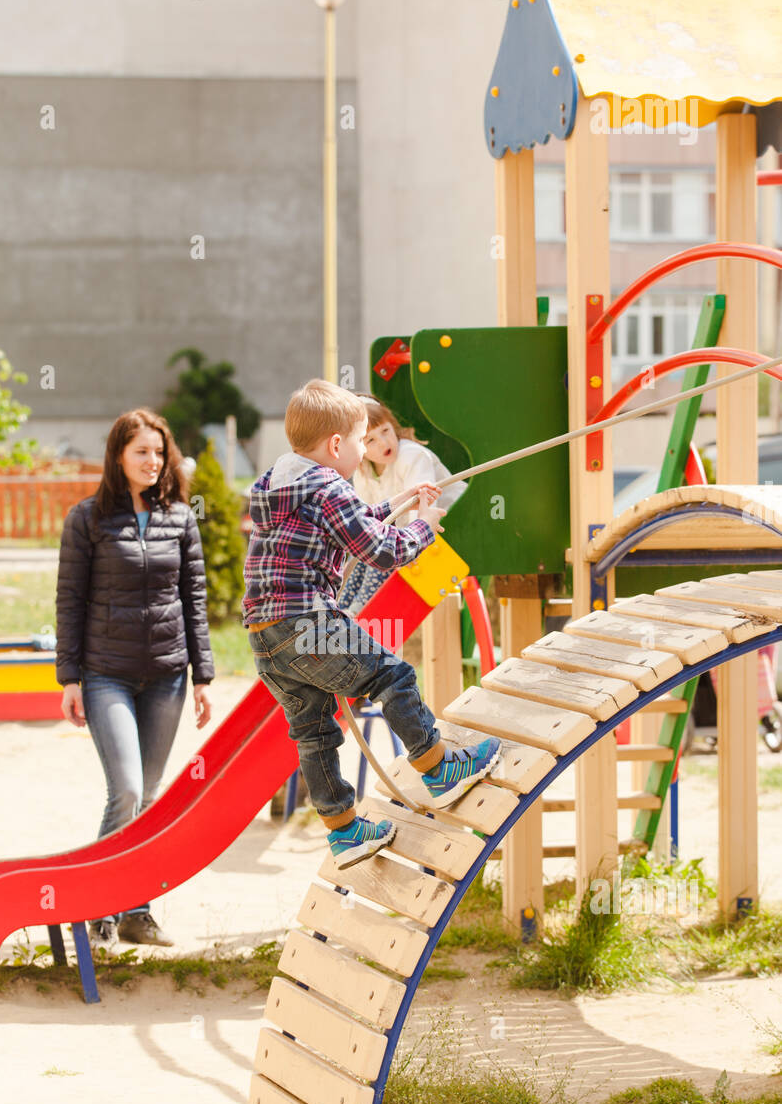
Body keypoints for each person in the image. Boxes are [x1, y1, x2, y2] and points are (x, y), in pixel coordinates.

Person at [243, 379, 499, 870]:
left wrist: (401, 502)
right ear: (336, 445)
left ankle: (344, 832)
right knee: (392, 675)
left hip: (264, 635)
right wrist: (422, 525)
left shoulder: (280, 483)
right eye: (361, 442)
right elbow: (381, 551)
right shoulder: (329, 486)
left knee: (314, 730)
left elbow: (354, 521)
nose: (363, 454)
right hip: (307, 622)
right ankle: (438, 766)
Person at [55, 409, 215, 950]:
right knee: (124, 790)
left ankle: (136, 914)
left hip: (168, 676)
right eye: (141, 451)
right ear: (118, 456)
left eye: (159, 451)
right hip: (106, 676)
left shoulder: (181, 519)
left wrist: (203, 676)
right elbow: (69, 601)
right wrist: (70, 677)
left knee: (148, 797)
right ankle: (96, 906)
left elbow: (195, 600)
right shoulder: (88, 519)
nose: (152, 461)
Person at [339, 394, 468, 616]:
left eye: (386, 431)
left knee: (382, 554)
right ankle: (342, 606)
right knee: (365, 552)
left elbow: (424, 505)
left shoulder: (411, 456)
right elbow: (368, 521)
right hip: (410, 534)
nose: (383, 443)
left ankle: (360, 609)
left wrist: (411, 548)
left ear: (393, 426)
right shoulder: (364, 472)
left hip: (454, 525)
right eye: (370, 440)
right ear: (360, 448)